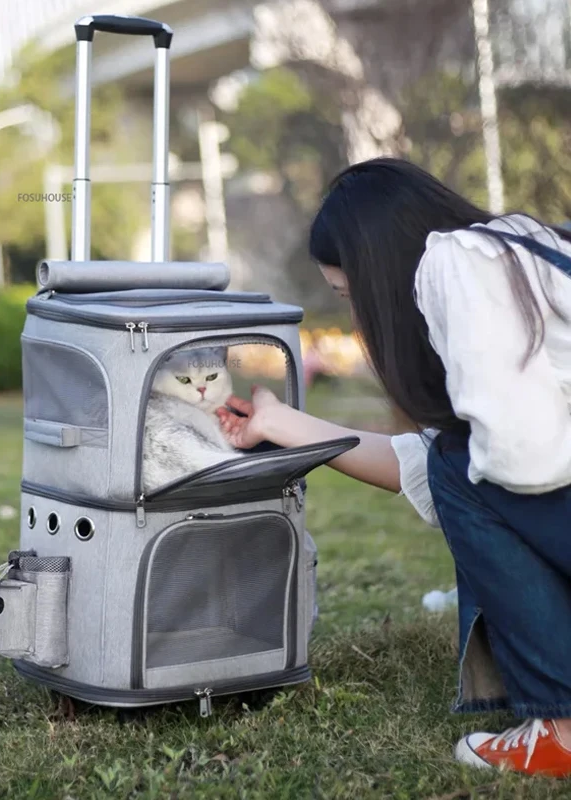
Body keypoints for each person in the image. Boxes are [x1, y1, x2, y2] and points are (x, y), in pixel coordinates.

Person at [217, 158, 571, 777]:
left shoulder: (452, 262)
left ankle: (561, 727)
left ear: (377, 269)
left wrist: (459, 467)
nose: (358, 320)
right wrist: (280, 423)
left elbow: (513, 462)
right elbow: (441, 471)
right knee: (460, 467)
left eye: (350, 295)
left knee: (467, 467)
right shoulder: (518, 246)